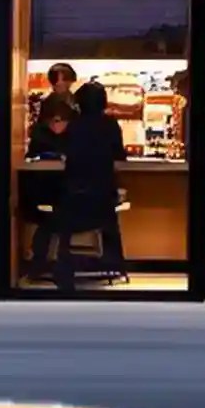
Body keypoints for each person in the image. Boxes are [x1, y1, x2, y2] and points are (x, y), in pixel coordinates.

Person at [54, 81, 127, 292]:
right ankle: (114, 263)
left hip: (73, 200)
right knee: (110, 219)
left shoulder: (74, 127)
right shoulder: (110, 126)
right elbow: (120, 157)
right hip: (103, 200)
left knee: (60, 217)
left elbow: (64, 154)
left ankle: (62, 265)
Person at [23, 93, 76, 280]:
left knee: (52, 218)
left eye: (61, 120)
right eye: (54, 120)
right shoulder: (40, 135)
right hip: (50, 192)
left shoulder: (70, 135)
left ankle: (40, 262)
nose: (57, 125)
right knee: (53, 216)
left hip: (60, 193)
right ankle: (51, 261)